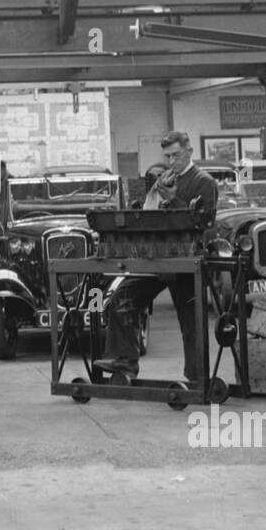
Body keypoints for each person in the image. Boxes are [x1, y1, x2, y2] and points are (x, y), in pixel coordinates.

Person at [95, 131, 219, 382]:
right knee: (122, 298)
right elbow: (150, 214)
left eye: (176, 155)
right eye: (168, 156)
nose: (172, 160)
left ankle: (198, 379)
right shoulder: (165, 179)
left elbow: (205, 223)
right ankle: (123, 363)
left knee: (192, 322)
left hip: (187, 261)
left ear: (189, 152)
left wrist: (174, 199)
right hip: (157, 258)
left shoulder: (204, 182)